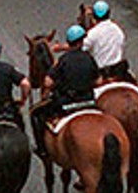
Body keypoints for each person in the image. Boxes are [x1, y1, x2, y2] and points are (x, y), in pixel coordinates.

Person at [31, 26, 99, 157]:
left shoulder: (63, 60)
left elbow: (47, 82)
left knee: (35, 113)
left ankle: (42, 149)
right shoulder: (89, 58)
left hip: (66, 103)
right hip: (88, 101)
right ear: (81, 42)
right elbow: (98, 81)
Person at [85, 0, 130, 83]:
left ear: (94, 16)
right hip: (119, 70)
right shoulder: (118, 30)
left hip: (101, 73)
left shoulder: (93, 33)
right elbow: (121, 44)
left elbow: (82, 48)